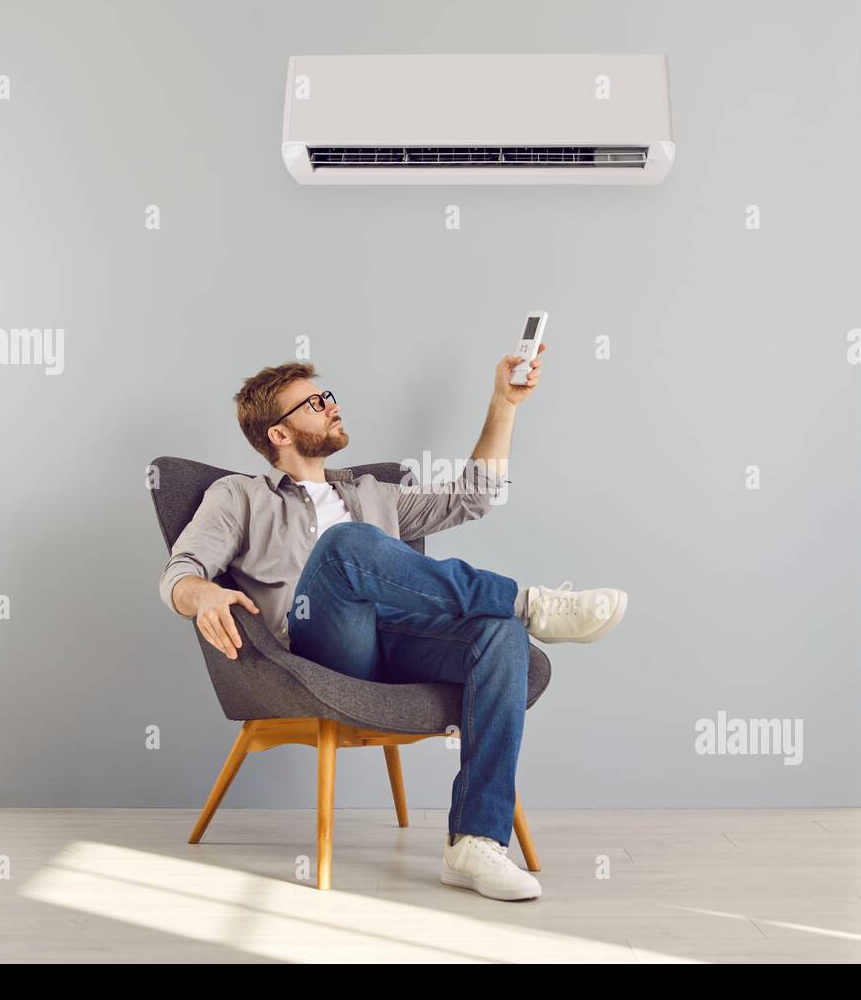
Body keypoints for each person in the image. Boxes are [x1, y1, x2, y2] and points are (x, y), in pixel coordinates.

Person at [158, 346, 627, 900]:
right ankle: (525, 601)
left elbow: (474, 497)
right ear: (278, 434)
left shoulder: (373, 494)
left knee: (499, 635)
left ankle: (475, 842)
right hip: (318, 653)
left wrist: (504, 403)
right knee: (346, 544)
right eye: (314, 403)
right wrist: (204, 594)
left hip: (402, 641)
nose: (332, 407)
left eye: (328, 396)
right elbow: (179, 574)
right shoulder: (239, 495)